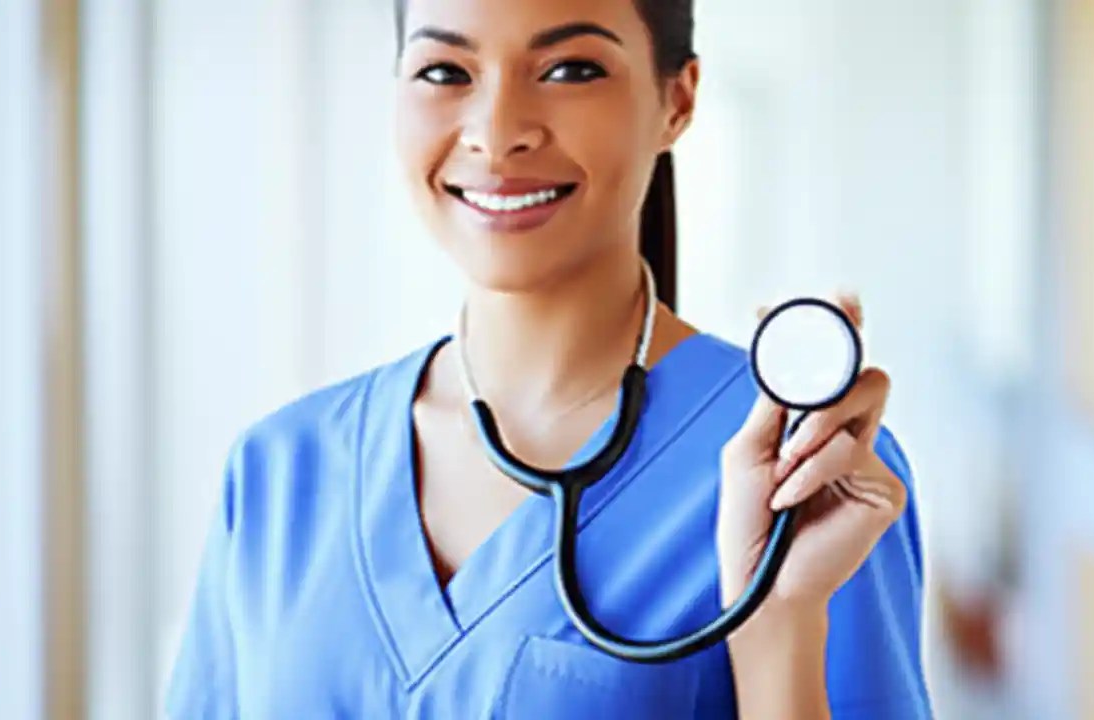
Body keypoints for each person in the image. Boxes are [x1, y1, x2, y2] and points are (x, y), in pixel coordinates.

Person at [165, 0, 933, 716]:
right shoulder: (278, 471)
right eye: (445, 72)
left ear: (678, 100)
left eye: (570, 70)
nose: (497, 131)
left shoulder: (811, 472)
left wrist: (778, 625)